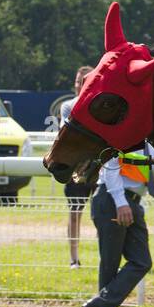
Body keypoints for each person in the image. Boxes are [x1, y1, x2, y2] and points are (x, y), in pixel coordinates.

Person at [81, 143, 154, 307]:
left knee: (142, 261)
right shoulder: (125, 138)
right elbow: (111, 167)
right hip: (114, 200)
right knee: (110, 262)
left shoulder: (152, 143)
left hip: (131, 201)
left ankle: (100, 306)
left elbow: (153, 169)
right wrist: (120, 202)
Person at [58, 65, 94, 269]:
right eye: (78, 82)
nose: (79, 86)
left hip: (99, 170)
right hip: (77, 171)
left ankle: (105, 257)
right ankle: (74, 259)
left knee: (103, 216)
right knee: (75, 215)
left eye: (84, 81)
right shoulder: (68, 107)